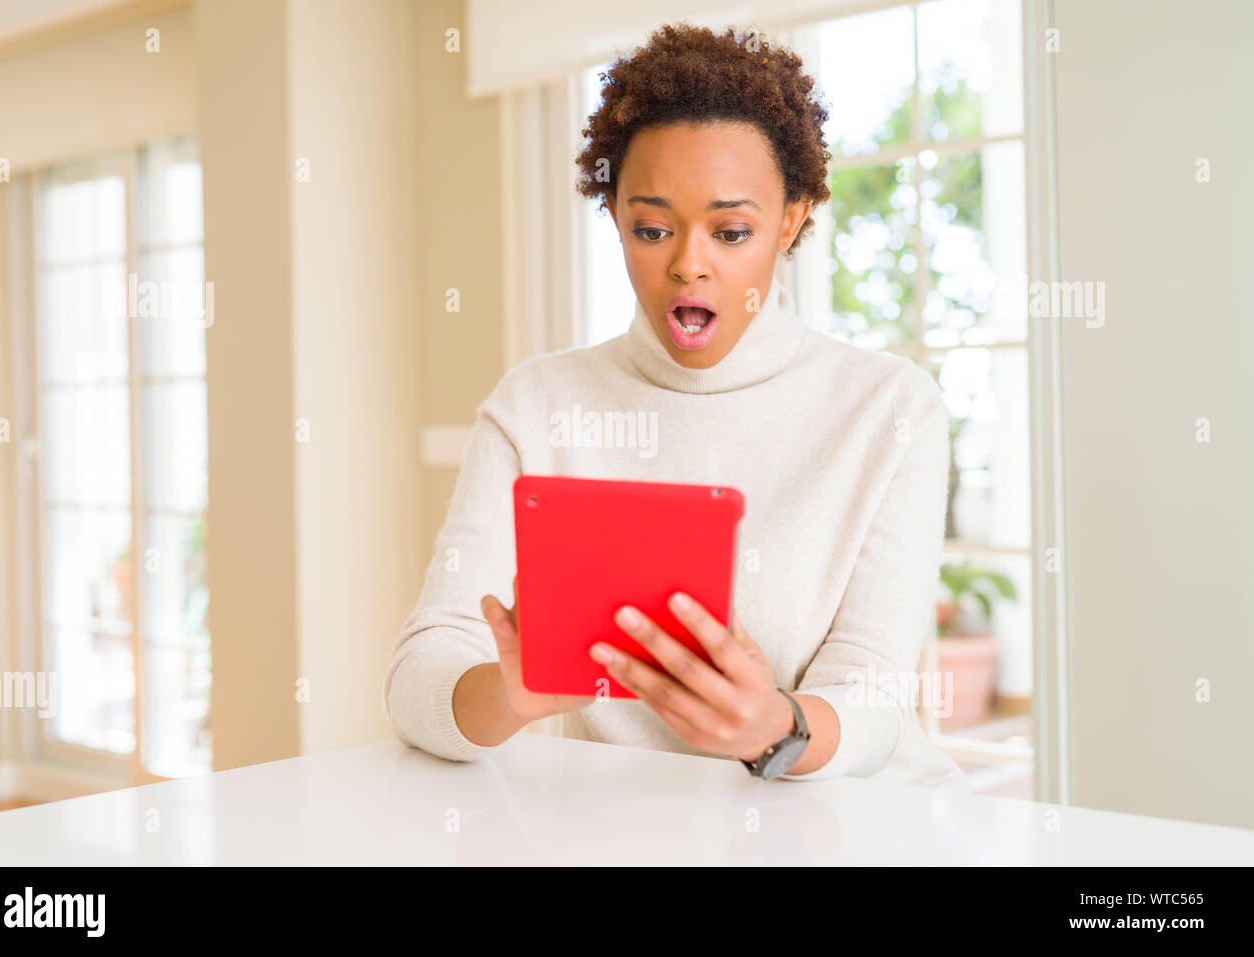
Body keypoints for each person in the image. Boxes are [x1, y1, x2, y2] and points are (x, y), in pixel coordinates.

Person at [384, 21, 970, 789]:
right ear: (617, 218)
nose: (689, 264)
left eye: (731, 231)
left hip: (855, 819)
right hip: (644, 827)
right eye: (652, 228)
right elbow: (418, 675)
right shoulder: (537, 406)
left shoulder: (888, 406)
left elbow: (874, 686)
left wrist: (776, 727)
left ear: (791, 219)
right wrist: (509, 695)